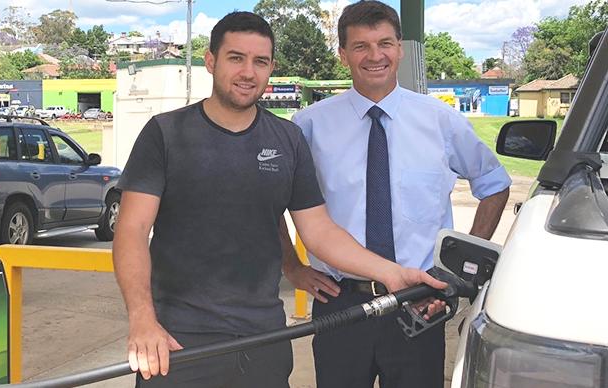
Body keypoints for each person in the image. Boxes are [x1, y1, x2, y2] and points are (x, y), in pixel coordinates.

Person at [112, 10, 447, 388]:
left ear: (271, 67)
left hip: (264, 336)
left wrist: (391, 273)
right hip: (178, 340)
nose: (248, 73)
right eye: (236, 58)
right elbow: (133, 229)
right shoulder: (165, 134)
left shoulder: (287, 139)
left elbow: (318, 230)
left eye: (260, 62)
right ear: (211, 61)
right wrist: (142, 318)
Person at [280, 2, 512, 388]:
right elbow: (271, 201)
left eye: (385, 43)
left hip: (421, 303)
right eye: (361, 46)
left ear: (400, 49)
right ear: (342, 54)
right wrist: (292, 267)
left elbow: (494, 185)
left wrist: (457, 271)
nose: (375, 56)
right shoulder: (308, 126)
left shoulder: (441, 120)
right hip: (340, 302)